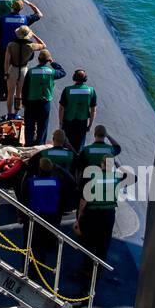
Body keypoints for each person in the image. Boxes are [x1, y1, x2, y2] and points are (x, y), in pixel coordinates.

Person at [75, 153, 119, 281]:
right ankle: (98, 271)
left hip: (93, 215)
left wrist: (79, 218)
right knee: (103, 244)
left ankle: (85, 269)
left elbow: (84, 201)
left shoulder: (93, 179)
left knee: (89, 242)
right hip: (109, 215)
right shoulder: (117, 178)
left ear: (101, 164)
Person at [0, 0, 44, 102]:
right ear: (21, 9)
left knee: (3, 71)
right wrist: (28, 3)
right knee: (15, 70)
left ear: (12, 6)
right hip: (19, 50)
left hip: (5, 48)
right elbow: (39, 14)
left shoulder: (3, 19)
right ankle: (9, 92)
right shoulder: (25, 19)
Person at [0, 25, 46, 119]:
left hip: (13, 69)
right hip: (23, 70)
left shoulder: (11, 45)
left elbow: (6, 61)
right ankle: (16, 113)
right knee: (19, 93)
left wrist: (6, 73)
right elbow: (43, 45)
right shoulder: (31, 46)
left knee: (10, 93)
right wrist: (34, 35)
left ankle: (9, 114)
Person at [21, 49, 63, 148]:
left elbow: (25, 88)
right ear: (48, 61)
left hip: (31, 103)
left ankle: (28, 146)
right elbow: (62, 72)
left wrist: (24, 103)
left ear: (38, 59)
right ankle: (39, 146)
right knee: (42, 127)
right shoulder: (52, 72)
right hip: (44, 104)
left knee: (29, 126)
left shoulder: (31, 71)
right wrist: (53, 63)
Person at [58, 69, 97, 153]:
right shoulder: (91, 91)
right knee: (79, 146)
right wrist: (90, 125)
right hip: (82, 122)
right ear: (85, 79)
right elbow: (93, 110)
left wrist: (61, 123)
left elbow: (61, 108)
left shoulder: (67, 90)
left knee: (66, 144)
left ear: (74, 78)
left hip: (68, 121)